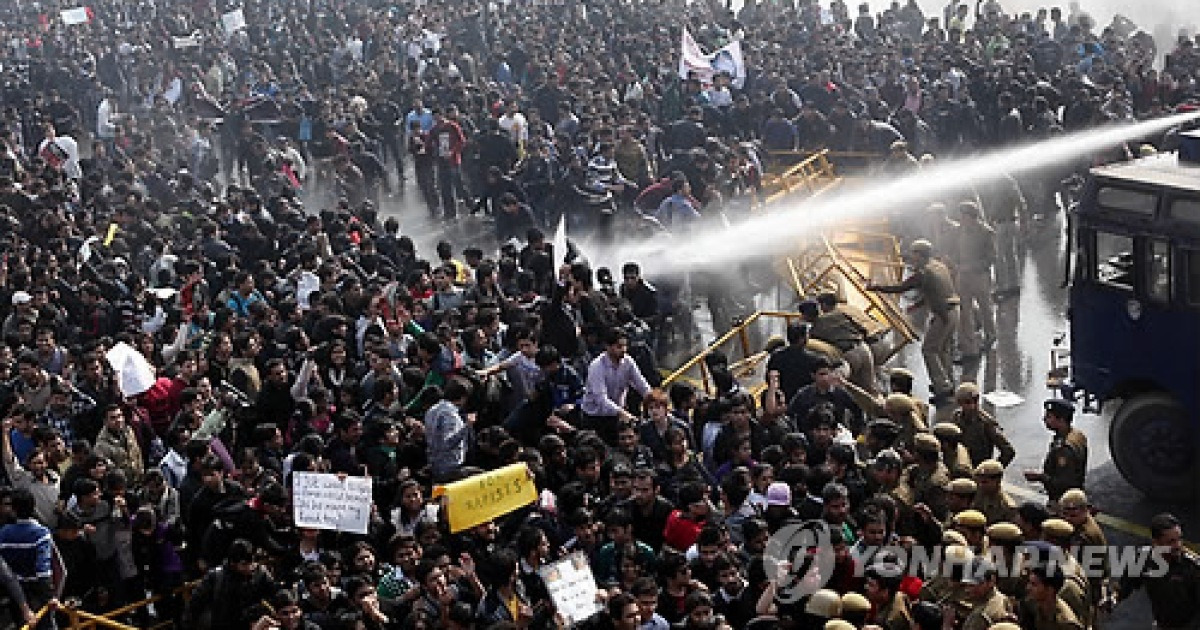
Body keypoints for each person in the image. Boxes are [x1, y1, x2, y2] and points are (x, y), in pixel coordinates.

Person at [868, 239, 961, 403]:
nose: (912, 257)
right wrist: (918, 306)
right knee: (942, 349)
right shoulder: (939, 266)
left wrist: (876, 287)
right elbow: (934, 291)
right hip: (954, 310)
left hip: (943, 314)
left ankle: (942, 387)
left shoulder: (924, 273)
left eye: (914, 254)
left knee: (929, 350)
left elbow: (901, 287)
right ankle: (948, 382)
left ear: (920, 254)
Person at [1113, 512, 1200, 628]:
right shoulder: (1143, 559)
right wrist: (1113, 597)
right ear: (1155, 543)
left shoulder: (1192, 566)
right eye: (1171, 541)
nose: (1178, 545)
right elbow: (1125, 585)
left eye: (1179, 539)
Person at [580, 328, 652, 444]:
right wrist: (622, 413)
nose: (623, 350)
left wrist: (653, 400)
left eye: (625, 346)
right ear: (608, 347)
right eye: (619, 346)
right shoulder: (597, 367)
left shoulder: (628, 362)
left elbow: (641, 385)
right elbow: (601, 399)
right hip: (595, 416)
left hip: (617, 414)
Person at [1023, 399, 1087, 510]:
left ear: (1061, 420)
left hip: (1063, 501)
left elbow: (1064, 483)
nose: (1044, 419)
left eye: (1049, 416)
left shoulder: (1064, 449)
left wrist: (1040, 477)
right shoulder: (1077, 435)